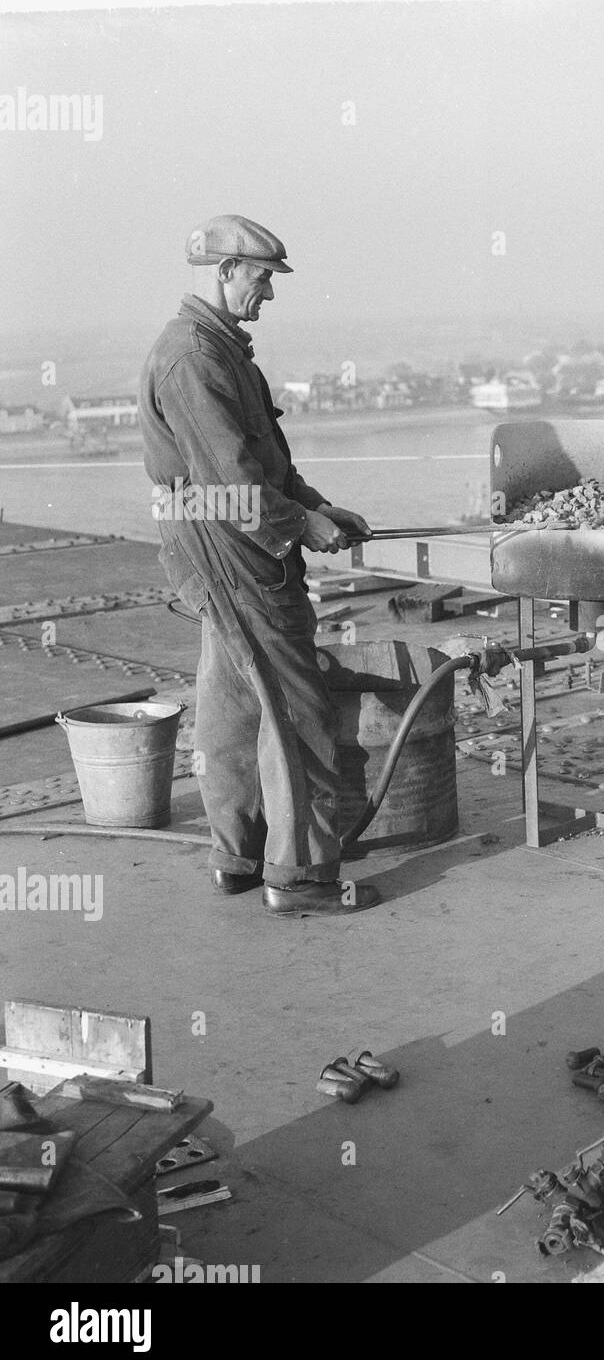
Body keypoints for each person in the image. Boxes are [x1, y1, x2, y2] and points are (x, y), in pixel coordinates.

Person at [139, 214, 380, 916]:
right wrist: (301, 526)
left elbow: (262, 462)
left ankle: (238, 857)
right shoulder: (194, 359)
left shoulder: (220, 350)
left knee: (234, 704)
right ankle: (300, 877)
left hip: (224, 545)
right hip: (231, 551)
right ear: (224, 271)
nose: (269, 293)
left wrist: (318, 506)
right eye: (262, 277)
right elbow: (233, 484)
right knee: (298, 709)